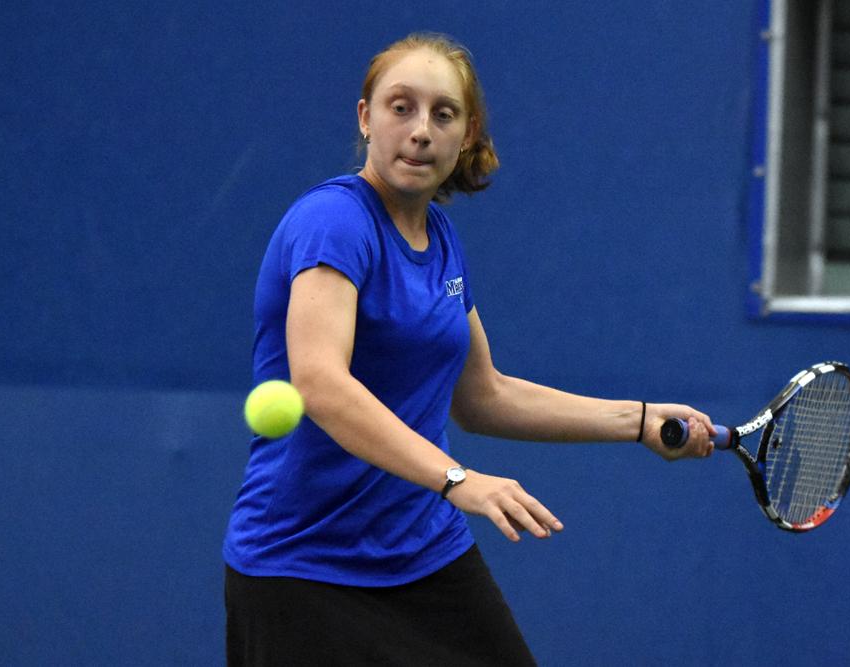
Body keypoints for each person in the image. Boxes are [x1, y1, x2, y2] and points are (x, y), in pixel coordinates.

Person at [222, 32, 716, 667]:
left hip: (424, 554)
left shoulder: (440, 238)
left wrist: (639, 420)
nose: (420, 131)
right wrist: (456, 480)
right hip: (303, 567)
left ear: (467, 134)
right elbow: (319, 383)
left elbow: (484, 396)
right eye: (401, 107)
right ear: (366, 117)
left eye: (443, 114)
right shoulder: (334, 223)